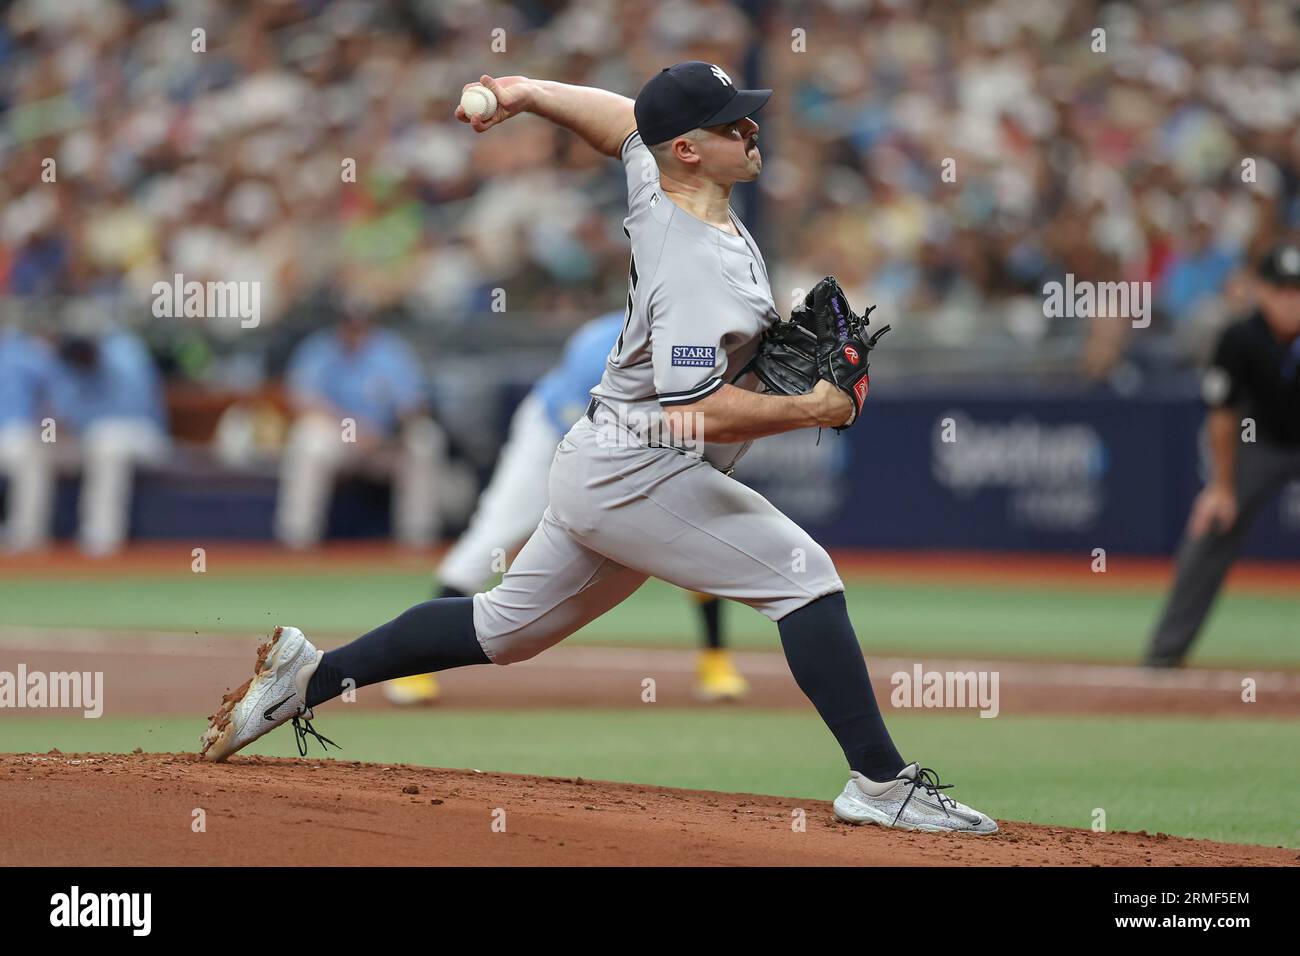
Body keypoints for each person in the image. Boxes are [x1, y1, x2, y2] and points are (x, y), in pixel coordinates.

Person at [202, 63, 997, 835]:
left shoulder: (664, 181)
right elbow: (695, 410)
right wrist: (812, 408)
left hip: (608, 457)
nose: (752, 130)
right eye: (732, 125)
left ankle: (310, 677)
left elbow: (624, 123)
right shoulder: (693, 266)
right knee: (804, 577)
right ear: (688, 149)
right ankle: (881, 784)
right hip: (637, 469)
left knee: (502, 630)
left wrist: (526, 92)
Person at [384, 311, 748, 705]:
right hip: (553, 433)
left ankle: (715, 662)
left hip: (639, 445)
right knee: (494, 535)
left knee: (691, 533)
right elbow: (584, 430)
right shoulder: (601, 343)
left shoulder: (697, 346)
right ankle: (416, 664)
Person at [1144, 242, 1300, 667]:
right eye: (1282, 290)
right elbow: (1223, 414)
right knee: (1213, 522)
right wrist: (1221, 486)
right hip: (1262, 442)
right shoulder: (1240, 337)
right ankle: (1163, 657)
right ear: (1262, 291)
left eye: (1298, 291)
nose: (1291, 301)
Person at [275, 311, 447, 550]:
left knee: (425, 439)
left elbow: (414, 403)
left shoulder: (392, 350)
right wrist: (354, 427)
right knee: (309, 437)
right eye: (348, 322)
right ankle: (297, 539)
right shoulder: (319, 349)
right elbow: (302, 402)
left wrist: (398, 423)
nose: (354, 328)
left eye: (359, 322)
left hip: (384, 443)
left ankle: (418, 542)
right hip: (340, 439)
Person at [47, 323, 170, 557]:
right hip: (90, 439)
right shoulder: (71, 366)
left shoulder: (125, 352)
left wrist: (81, 426)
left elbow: (133, 409)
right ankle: (27, 540)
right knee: (34, 449)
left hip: (143, 434)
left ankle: (101, 537)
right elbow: (64, 415)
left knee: (107, 443)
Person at [0, 324, 57, 554]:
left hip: (16, 431)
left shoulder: (25, 351)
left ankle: (27, 538)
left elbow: (50, 400)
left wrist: (49, 437)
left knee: (32, 458)